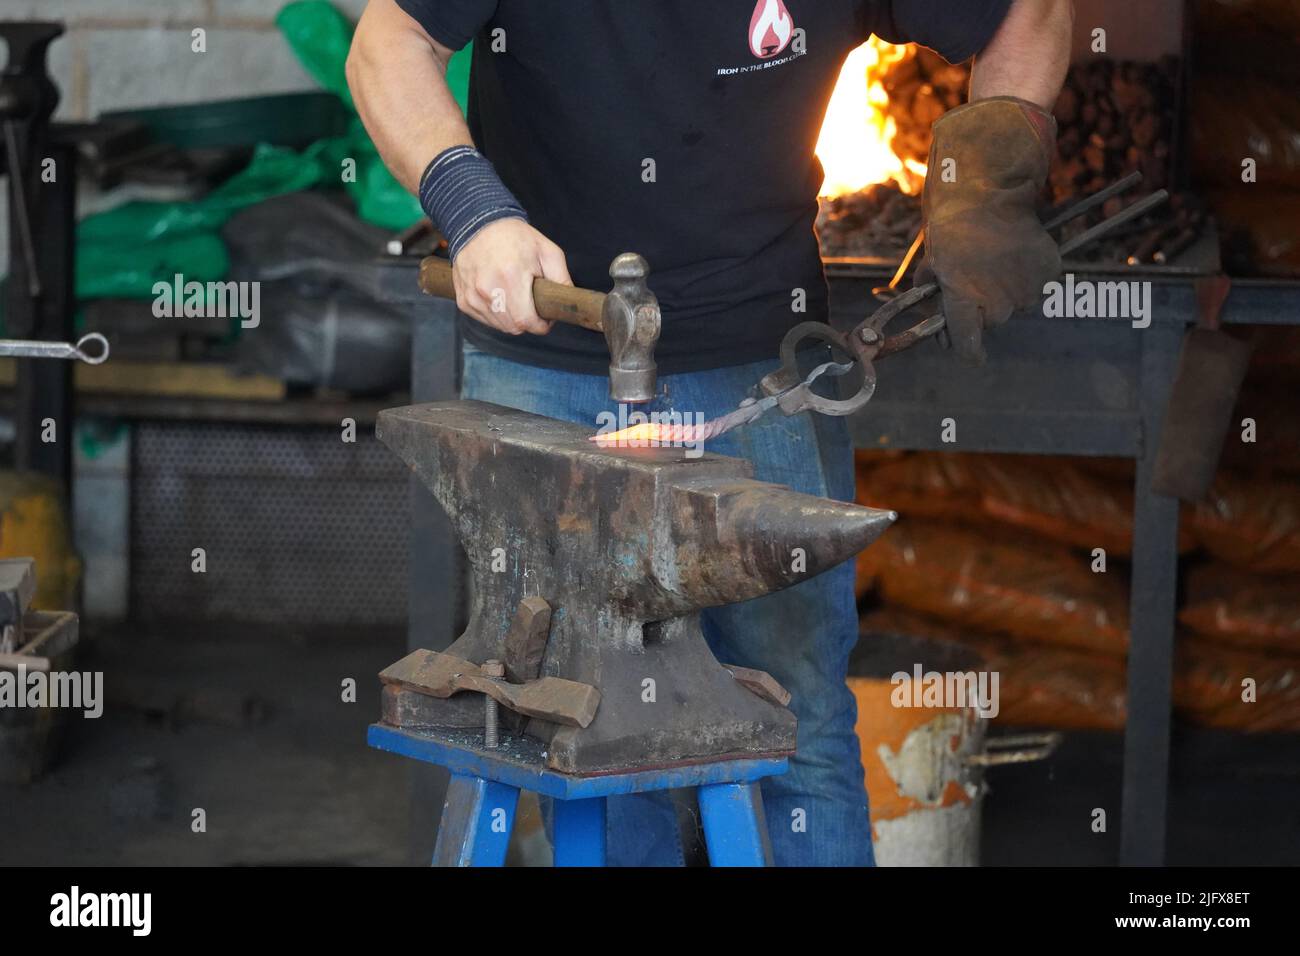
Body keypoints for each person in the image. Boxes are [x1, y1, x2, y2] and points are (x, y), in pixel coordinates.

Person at [348, 0, 1073, 866]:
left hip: (759, 360)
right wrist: (475, 211)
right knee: (590, 720)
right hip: (547, 351)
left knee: (795, 721)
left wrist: (985, 188)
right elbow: (387, 43)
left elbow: (1030, 13)